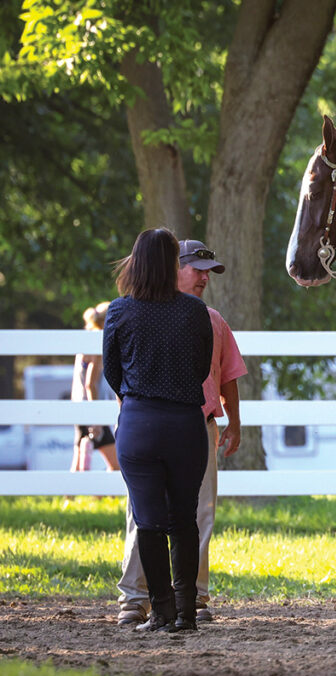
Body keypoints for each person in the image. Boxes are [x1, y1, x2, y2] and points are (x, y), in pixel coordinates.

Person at [115, 239, 246, 628]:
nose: (205, 277)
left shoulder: (212, 319)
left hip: (197, 423)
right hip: (151, 424)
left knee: (198, 514)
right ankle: (137, 596)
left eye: (209, 271)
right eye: (197, 269)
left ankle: (194, 595)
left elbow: (227, 374)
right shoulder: (137, 311)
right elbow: (115, 369)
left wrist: (233, 421)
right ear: (174, 268)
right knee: (144, 514)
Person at [103, 228, 213, 633]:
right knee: (184, 519)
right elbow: (202, 369)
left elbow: (113, 373)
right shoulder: (193, 311)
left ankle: (160, 610)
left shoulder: (118, 311)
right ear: (171, 264)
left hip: (139, 425)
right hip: (185, 424)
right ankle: (186, 613)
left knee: (148, 521)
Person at [70, 301, 118, 473]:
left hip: (80, 406)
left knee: (78, 461)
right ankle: (101, 496)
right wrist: (96, 417)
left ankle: (70, 498)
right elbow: (90, 384)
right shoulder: (97, 344)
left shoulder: (87, 339)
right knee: (116, 465)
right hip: (91, 408)